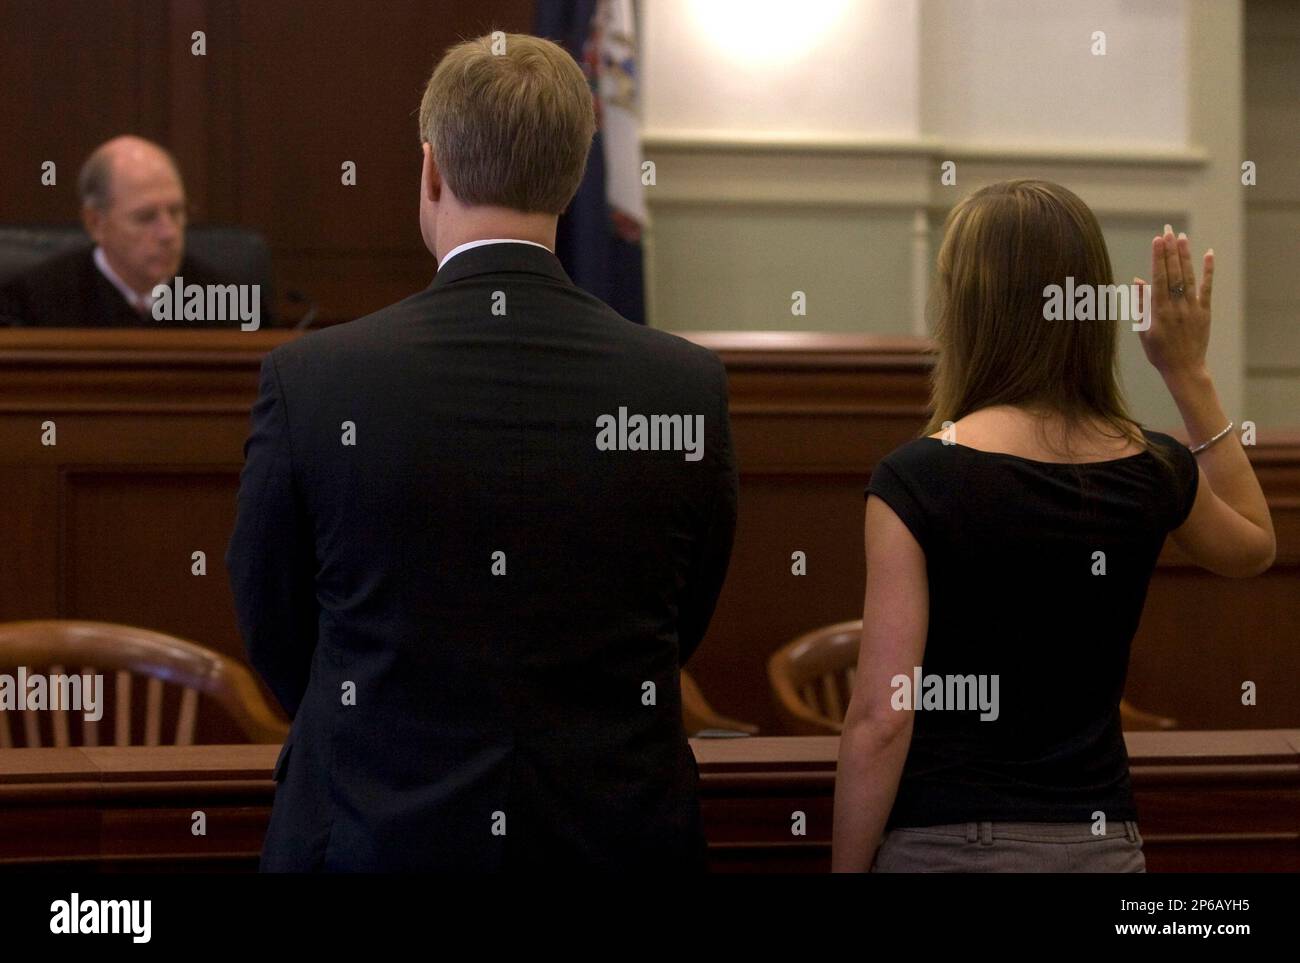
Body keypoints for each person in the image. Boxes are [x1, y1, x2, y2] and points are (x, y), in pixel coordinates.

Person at [225, 33, 737, 872]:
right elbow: (679, 623)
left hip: (370, 836)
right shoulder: (681, 386)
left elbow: (276, 625)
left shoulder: (313, 379)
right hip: (611, 840)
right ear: (573, 178)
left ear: (431, 170)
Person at [831, 179, 1275, 873]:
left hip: (951, 845)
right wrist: (1187, 372)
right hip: (1103, 846)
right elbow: (1254, 543)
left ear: (967, 309)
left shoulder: (917, 476)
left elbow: (883, 717)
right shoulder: (1150, 467)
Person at [0, 135, 242, 327]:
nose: (168, 233)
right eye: (146, 217)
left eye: (176, 212)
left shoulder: (228, 303)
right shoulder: (31, 302)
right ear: (95, 223)